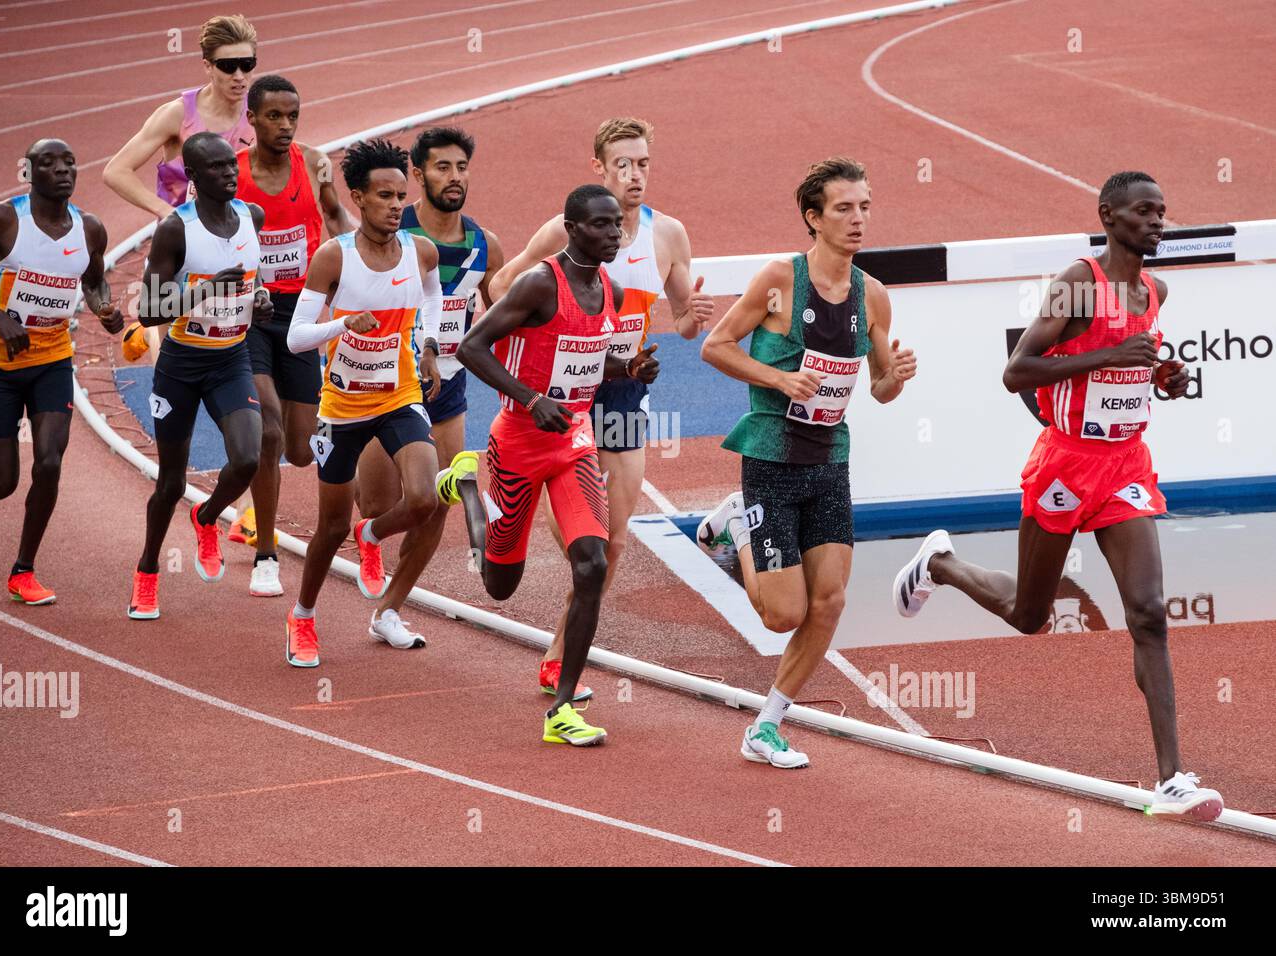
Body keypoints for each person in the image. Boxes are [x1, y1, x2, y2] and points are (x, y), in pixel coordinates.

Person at [891, 171, 1223, 821]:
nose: (1158, 222)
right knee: (1029, 613)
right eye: (1144, 212)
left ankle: (1172, 779)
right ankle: (940, 565)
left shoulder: (1156, 289)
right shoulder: (1079, 283)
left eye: (1163, 212)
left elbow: (1137, 366)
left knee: (1150, 612)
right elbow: (1018, 369)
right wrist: (1101, 360)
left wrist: (1167, 377)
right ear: (1109, 215)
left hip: (1125, 464)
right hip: (1066, 465)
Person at [697, 158, 917, 769]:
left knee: (830, 602)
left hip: (829, 460)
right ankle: (731, 527)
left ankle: (765, 726)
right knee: (782, 615)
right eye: (844, 208)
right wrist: (779, 378)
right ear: (813, 218)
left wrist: (893, 378)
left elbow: (877, 388)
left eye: (865, 206)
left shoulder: (872, 296)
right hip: (770, 457)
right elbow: (715, 346)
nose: (858, 219)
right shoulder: (778, 280)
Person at [490, 117, 713, 700]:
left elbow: (685, 325)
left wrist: (695, 315)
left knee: (610, 541)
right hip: (560, 395)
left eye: (642, 163)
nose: (633, 174)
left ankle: (558, 653)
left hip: (620, 390)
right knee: (567, 543)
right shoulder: (562, 231)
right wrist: (538, 348)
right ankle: (500, 509)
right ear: (599, 166)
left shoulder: (668, 235)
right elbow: (500, 288)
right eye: (622, 164)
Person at [445, 183, 659, 746]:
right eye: (601, 225)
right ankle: (469, 489)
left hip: (574, 444)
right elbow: (471, 347)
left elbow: (587, 363)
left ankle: (562, 708)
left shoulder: (608, 287)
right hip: (518, 441)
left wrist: (628, 370)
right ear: (572, 228)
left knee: (593, 561)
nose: (614, 234)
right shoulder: (540, 283)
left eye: (618, 225)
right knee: (498, 586)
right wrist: (530, 398)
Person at [282, 138, 443, 668]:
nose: (397, 205)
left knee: (425, 500)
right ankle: (302, 616)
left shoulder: (420, 251)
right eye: (384, 196)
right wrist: (342, 324)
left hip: (398, 395)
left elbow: (432, 298)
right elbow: (297, 337)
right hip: (342, 408)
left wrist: (428, 347)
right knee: (328, 529)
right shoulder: (335, 257)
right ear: (358, 197)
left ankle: (370, 533)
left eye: (402, 195)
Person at [354, 126, 505, 640]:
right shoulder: (392, 230)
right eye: (442, 167)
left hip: (447, 391)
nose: (454, 177)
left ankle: (389, 609)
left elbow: (504, 318)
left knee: (436, 500)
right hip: (381, 383)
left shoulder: (486, 246)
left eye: (461, 167)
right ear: (417, 174)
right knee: (379, 505)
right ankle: (369, 534)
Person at [127, 132, 272, 620]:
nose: (230, 173)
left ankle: (207, 515)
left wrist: (261, 301)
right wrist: (204, 291)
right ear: (193, 176)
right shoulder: (176, 230)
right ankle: (148, 572)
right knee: (169, 481)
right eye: (216, 168)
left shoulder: (253, 218)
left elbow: (255, 282)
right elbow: (148, 311)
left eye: (232, 165)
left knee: (249, 458)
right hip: (182, 365)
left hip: (231, 358)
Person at [0, 139, 122, 604]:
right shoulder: (2, 220)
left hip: (54, 362)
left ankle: (23, 570)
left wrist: (103, 308)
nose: (62, 170)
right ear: (28, 172)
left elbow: (93, 278)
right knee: (0, 487)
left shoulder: (90, 229)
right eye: (48, 163)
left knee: (51, 461)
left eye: (69, 162)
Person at [234, 74, 355, 597]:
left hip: (303, 311)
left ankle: (247, 510)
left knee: (303, 450)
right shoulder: (233, 174)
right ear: (253, 120)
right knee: (269, 429)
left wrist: (368, 265)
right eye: (275, 117)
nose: (286, 126)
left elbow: (334, 219)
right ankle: (266, 552)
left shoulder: (313, 164)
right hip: (252, 313)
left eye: (294, 117)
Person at [104, 13, 259, 363]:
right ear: (207, 66)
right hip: (179, 244)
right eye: (228, 65)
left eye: (247, 64)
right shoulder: (177, 114)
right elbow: (116, 171)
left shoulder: (259, 114)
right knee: (172, 353)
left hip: (236, 238)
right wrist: (167, 212)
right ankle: (147, 334)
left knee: (237, 341)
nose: (239, 75)